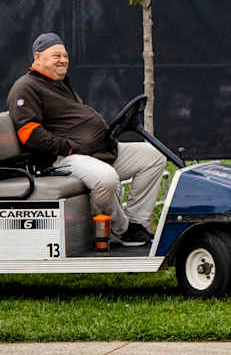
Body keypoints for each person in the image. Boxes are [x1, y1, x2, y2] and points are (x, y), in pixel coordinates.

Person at [6, 33, 166, 247]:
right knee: (106, 179)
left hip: (96, 151)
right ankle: (120, 230)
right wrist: (68, 147)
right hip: (62, 158)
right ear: (37, 57)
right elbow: (30, 134)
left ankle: (136, 223)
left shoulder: (59, 83)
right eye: (56, 56)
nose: (63, 60)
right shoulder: (26, 87)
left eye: (65, 55)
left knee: (153, 157)